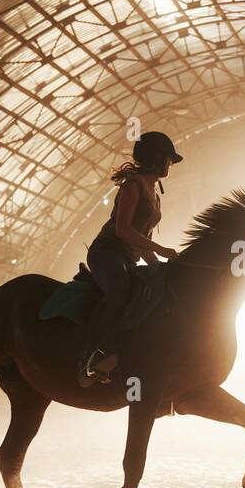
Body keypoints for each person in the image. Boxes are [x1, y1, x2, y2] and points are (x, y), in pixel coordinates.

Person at [79, 131, 182, 385]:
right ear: (157, 158)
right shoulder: (133, 185)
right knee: (119, 290)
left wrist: (160, 266)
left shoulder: (154, 194)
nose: (170, 164)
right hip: (107, 253)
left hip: (128, 257)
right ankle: (94, 355)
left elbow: (140, 239)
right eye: (169, 159)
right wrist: (161, 249)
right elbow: (123, 230)